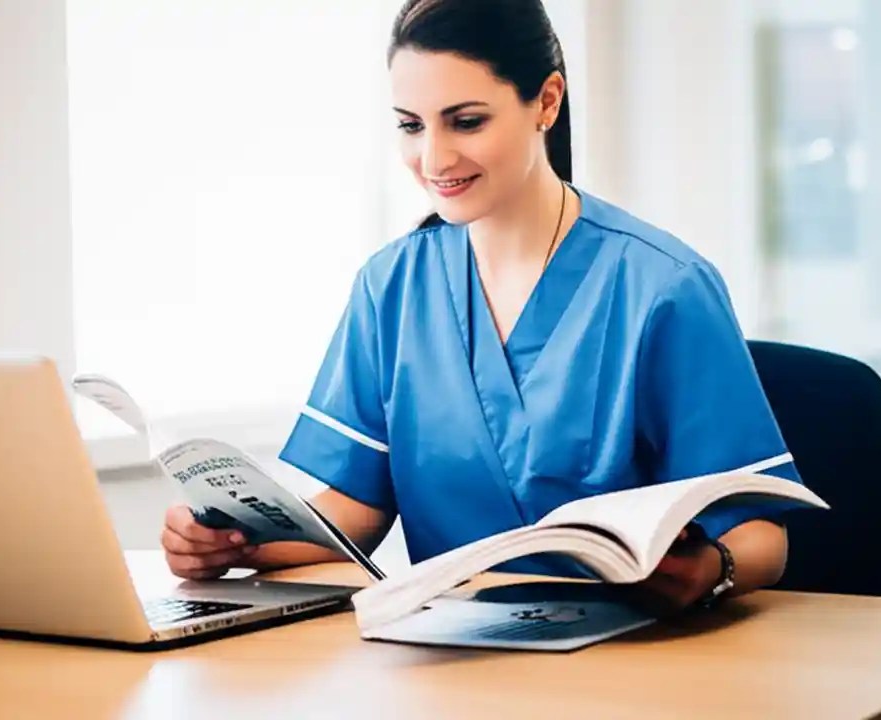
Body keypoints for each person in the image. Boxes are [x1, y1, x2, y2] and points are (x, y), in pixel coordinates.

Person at [161, 0, 805, 616]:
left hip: (628, 662)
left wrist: (710, 567)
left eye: (465, 121)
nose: (434, 158)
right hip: (449, 658)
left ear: (546, 101)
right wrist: (231, 544)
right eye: (411, 125)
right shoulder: (393, 286)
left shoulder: (662, 287)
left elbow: (760, 537)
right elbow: (355, 507)